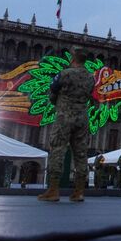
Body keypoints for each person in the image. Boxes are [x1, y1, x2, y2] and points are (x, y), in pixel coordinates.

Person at [38, 47, 95, 203]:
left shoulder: (65, 74)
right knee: (81, 154)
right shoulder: (91, 78)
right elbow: (90, 94)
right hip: (82, 119)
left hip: (65, 117)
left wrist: (56, 101)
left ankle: (53, 190)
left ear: (73, 58)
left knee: (57, 150)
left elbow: (53, 90)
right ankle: (79, 192)